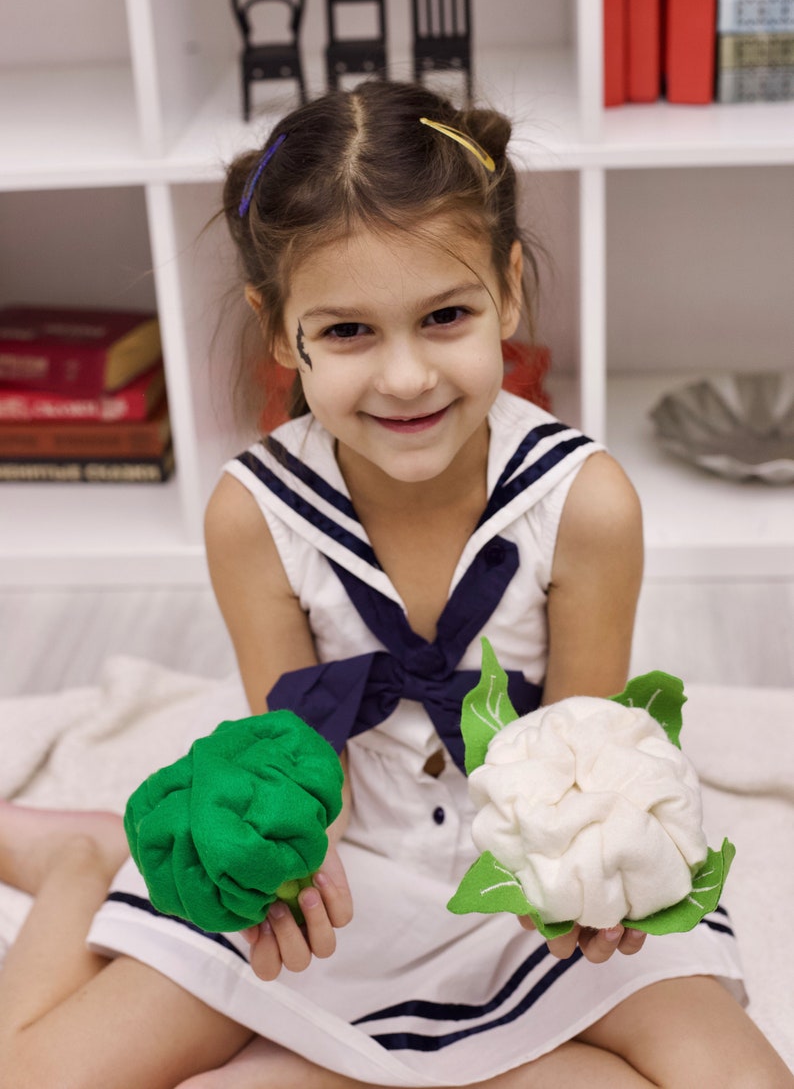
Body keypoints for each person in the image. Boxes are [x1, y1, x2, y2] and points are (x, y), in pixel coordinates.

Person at [0, 80, 790, 1089]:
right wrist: (292, 868)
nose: (406, 376)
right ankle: (79, 866)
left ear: (506, 289)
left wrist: (587, 882)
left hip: (517, 878)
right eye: (347, 333)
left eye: (444, 316)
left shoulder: (583, 502)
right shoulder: (255, 516)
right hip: (347, 862)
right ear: (278, 330)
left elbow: (583, 762)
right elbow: (290, 756)